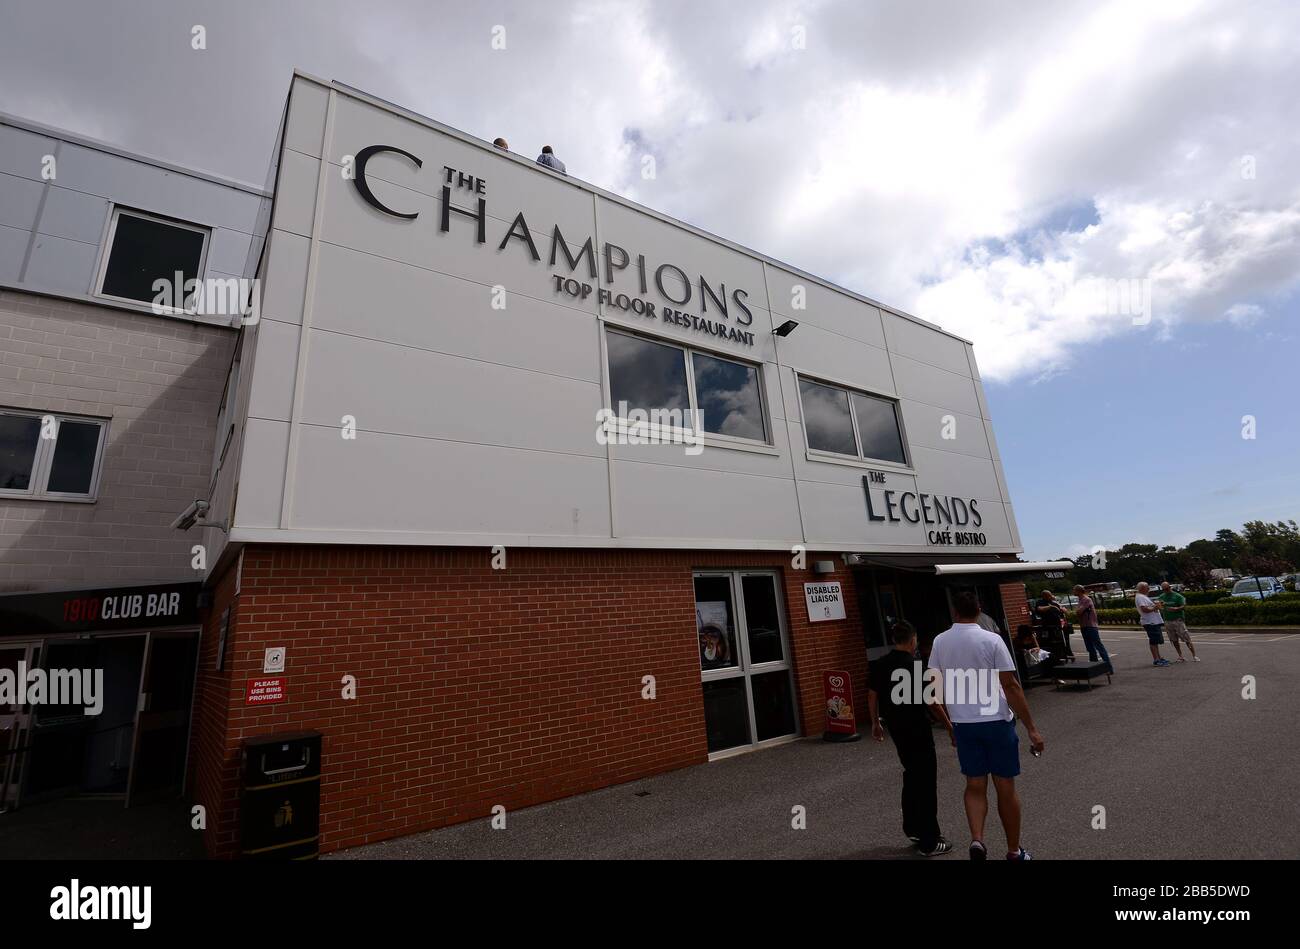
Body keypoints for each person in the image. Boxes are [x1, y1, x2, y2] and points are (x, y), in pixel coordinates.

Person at [929, 591, 1045, 861]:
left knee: (974, 785)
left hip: (963, 723)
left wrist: (949, 727)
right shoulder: (992, 639)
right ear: (979, 610)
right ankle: (1014, 850)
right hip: (995, 721)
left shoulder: (940, 641)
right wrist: (1031, 727)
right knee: (1005, 787)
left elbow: (934, 689)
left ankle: (978, 840)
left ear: (954, 612)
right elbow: (1011, 685)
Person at [867, 620, 954, 856]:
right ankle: (929, 840)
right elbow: (932, 702)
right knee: (925, 783)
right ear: (912, 640)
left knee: (911, 776)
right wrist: (949, 727)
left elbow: (872, 695)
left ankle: (913, 828)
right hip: (918, 730)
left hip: (898, 730)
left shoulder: (880, 664)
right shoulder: (914, 665)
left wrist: (875, 723)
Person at [1072, 584, 1114, 674]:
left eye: (1074, 590)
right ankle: (1094, 668)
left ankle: (1108, 667)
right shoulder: (1080, 600)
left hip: (1090, 626)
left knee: (1098, 646)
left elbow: (1079, 612)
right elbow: (1078, 612)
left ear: (1079, 591)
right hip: (1084, 626)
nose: (1073, 592)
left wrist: (1078, 610)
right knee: (1090, 648)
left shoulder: (1086, 599)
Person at [1158, 582, 1198, 662]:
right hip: (1168, 620)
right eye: (1164, 589)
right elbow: (1160, 606)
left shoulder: (1177, 596)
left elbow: (1184, 606)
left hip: (1178, 620)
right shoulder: (1161, 596)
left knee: (1186, 638)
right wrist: (1160, 607)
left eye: (1167, 588)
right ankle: (1180, 656)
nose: (1166, 590)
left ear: (1170, 587)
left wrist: (1176, 608)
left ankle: (1194, 655)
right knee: (1174, 639)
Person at [1135, 582, 1170, 666]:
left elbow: (1148, 607)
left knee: (1155, 641)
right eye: (1147, 587)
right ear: (1142, 589)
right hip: (1150, 622)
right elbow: (1144, 609)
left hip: (1152, 621)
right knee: (1153, 641)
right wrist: (1155, 607)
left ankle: (1159, 657)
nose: (1148, 589)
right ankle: (1156, 660)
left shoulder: (1142, 596)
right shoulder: (1140, 597)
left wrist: (1156, 605)